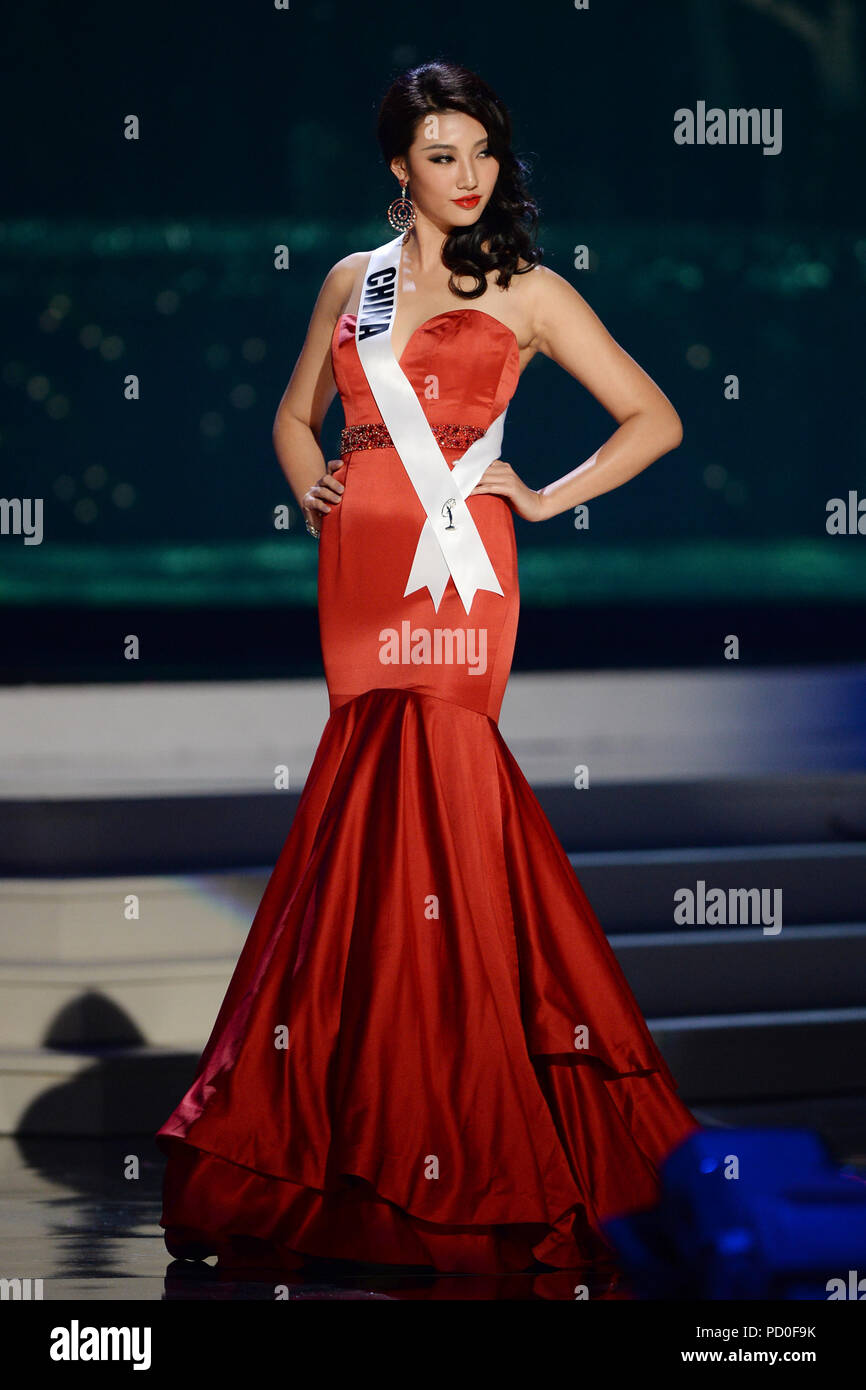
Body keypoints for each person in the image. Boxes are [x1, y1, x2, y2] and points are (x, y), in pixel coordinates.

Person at [156, 60, 701, 1277]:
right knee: (363, 813)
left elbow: (654, 416)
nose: (467, 177)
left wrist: (550, 496)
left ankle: (465, 1119)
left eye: (482, 155)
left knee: (446, 794)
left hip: (464, 568)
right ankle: (365, 1124)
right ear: (398, 167)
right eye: (441, 155)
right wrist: (307, 482)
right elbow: (294, 414)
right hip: (359, 571)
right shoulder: (353, 282)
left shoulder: (529, 290)